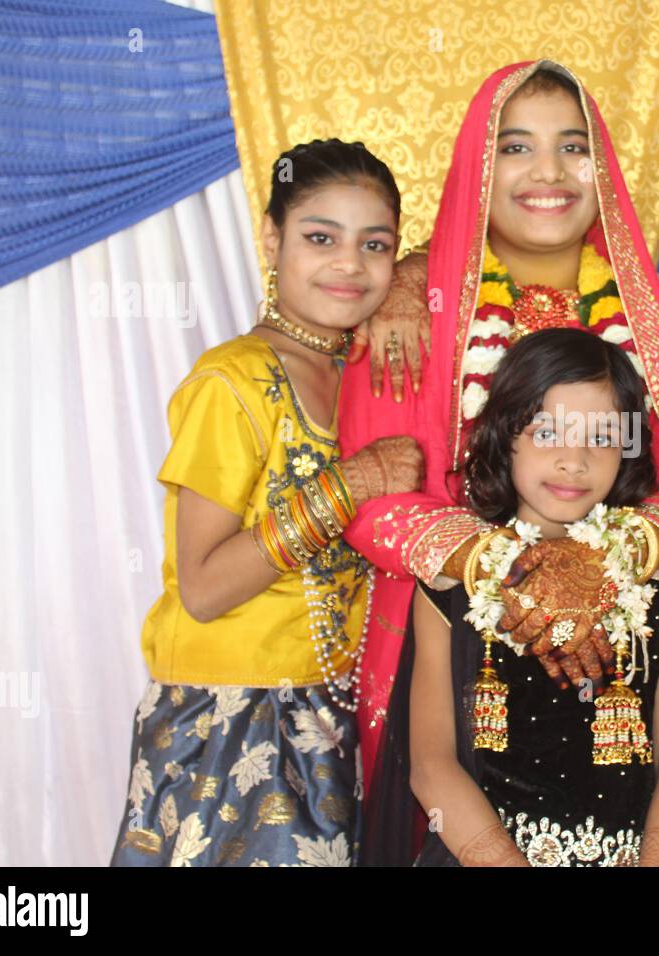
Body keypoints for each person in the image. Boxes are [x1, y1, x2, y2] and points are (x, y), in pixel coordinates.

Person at [337, 61, 659, 864]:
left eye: (572, 148)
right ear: (480, 166)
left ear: (606, 169)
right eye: (516, 147)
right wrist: (508, 567)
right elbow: (373, 503)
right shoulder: (411, 312)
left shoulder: (648, 314)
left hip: (629, 637)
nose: (548, 173)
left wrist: (613, 560)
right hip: (453, 633)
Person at [110, 139, 424, 866]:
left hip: (337, 714)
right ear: (271, 238)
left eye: (374, 245)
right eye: (320, 238)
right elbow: (206, 587)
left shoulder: (366, 370)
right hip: (230, 719)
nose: (349, 264)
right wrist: (348, 486)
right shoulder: (233, 381)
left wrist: (407, 281)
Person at [371, 329, 659, 866]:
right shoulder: (456, 578)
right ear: (505, 436)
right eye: (547, 432)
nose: (574, 461)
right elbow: (432, 766)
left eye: (601, 436)